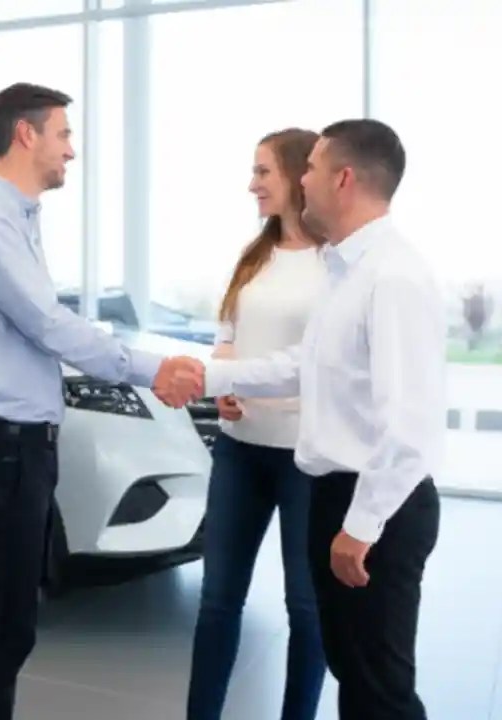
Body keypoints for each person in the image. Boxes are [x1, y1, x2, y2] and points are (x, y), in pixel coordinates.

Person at [0, 82, 202, 720]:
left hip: (17, 442)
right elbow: (48, 324)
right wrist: (151, 369)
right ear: (25, 134)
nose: (71, 151)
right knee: (7, 623)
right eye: (63, 134)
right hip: (1, 444)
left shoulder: (17, 219)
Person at [198, 118, 445, 720]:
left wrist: (359, 527)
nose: (301, 179)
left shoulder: (393, 275)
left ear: (343, 178)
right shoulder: (348, 270)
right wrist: (211, 378)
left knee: (379, 690)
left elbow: (411, 426)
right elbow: (303, 366)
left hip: (373, 502)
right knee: (355, 677)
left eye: (309, 168)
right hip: (334, 492)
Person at [186, 128, 329, 720]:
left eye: (263, 172)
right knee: (218, 601)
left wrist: (240, 377)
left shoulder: (336, 262)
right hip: (240, 452)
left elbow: (324, 363)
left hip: (306, 458)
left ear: (299, 175)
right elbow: (227, 337)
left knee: (306, 607)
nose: (252, 184)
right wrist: (225, 384)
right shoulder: (254, 256)